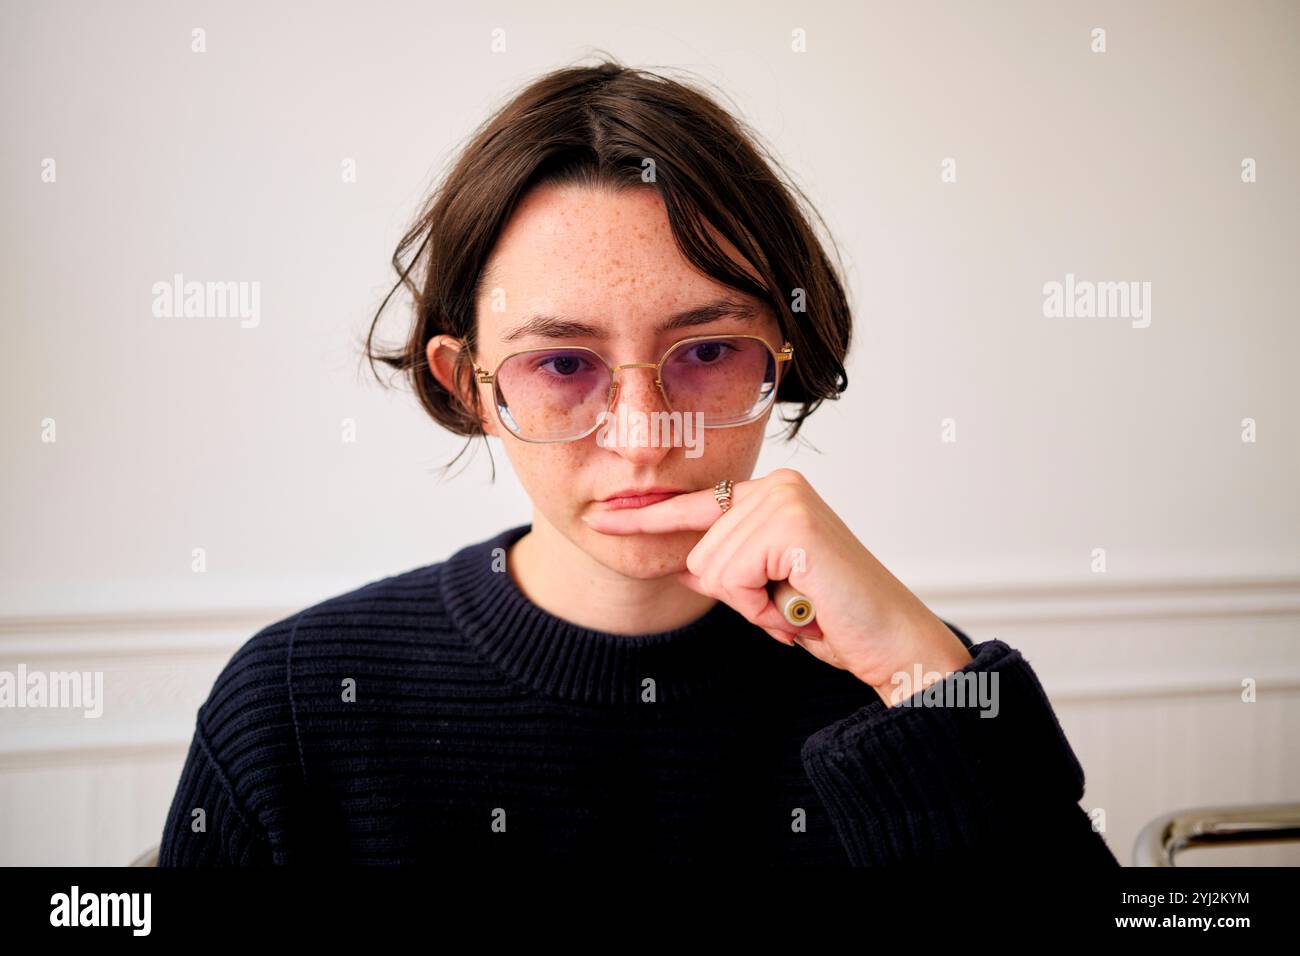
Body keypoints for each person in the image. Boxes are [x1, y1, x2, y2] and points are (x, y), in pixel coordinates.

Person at [158, 57, 1119, 866]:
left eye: (706, 352)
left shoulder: (907, 688)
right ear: (468, 384)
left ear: (780, 360)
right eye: (564, 364)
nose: (646, 435)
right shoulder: (293, 702)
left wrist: (922, 674)